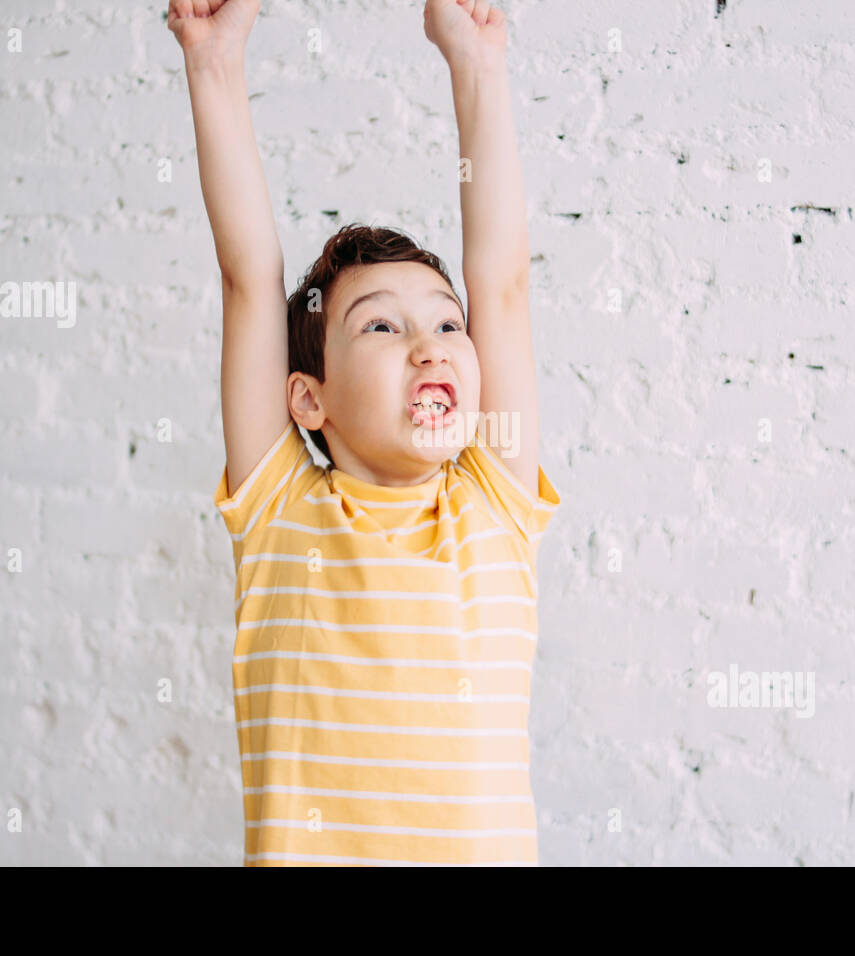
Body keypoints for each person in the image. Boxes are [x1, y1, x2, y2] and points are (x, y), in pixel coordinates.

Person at [169, 0, 561, 865]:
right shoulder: (282, 515)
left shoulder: (493, 505)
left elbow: (501, 283)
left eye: (445, 327)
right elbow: (249, 276)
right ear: (308, 400)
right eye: (382, 329)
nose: (430, 346)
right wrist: (212, 61)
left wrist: (477, 60)